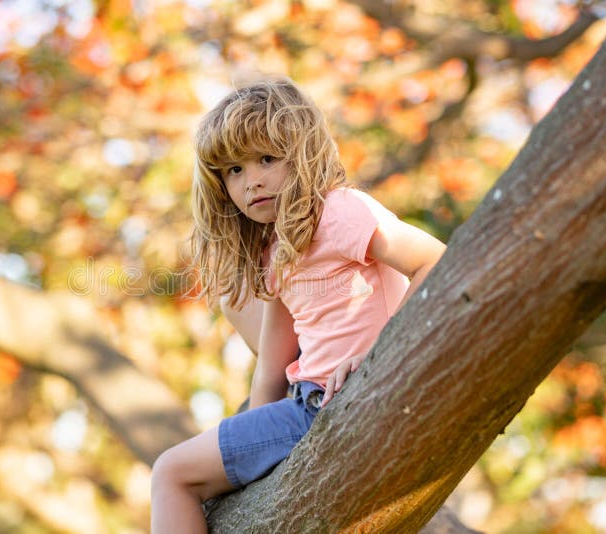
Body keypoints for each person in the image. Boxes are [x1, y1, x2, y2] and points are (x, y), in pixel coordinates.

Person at [151, 76, 447, 533]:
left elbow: (435, 262)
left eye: (266, 159)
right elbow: (271, 368)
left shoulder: (341, 211)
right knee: (180, 469)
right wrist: (244, 467)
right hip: (302, 407)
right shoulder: (276, 252)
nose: (252, 181)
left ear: (301, 151)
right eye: (234, 170)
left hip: (336, 402)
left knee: (170, 474)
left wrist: (379, 357)